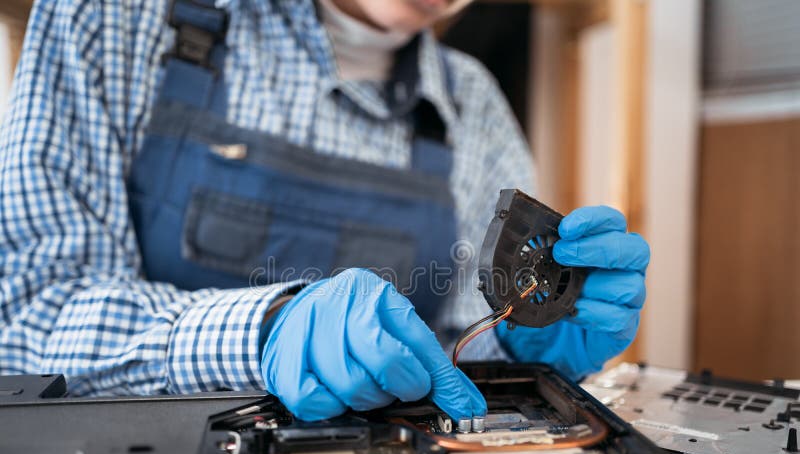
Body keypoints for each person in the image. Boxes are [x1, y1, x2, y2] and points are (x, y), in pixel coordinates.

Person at [0, 0, 649, 422]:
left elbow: (459, 354)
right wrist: (264, 328)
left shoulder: (472, 104)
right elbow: (26, 322)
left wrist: (520, 343)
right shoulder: (115, 20)